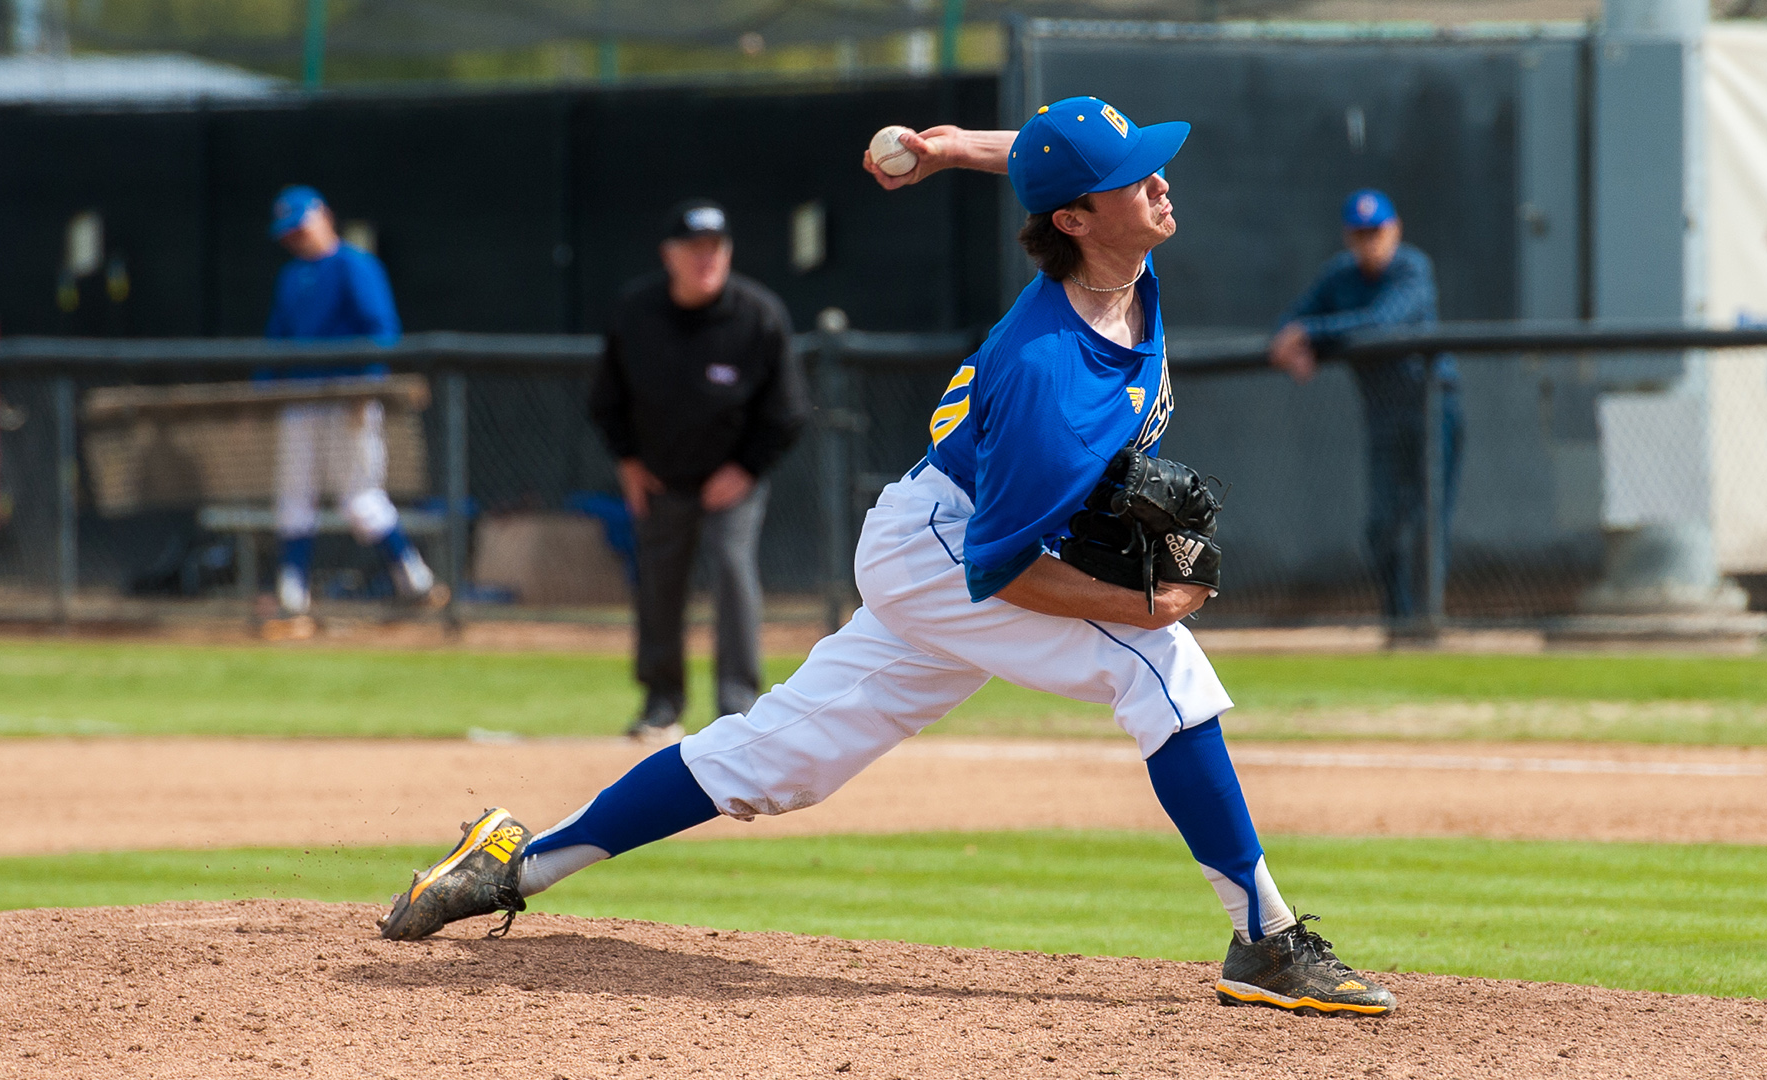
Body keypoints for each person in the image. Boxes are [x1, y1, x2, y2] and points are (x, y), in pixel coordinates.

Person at [377, 100, 1398, 1017]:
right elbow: (999, 572)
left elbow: (1051, 154)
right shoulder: (1055, 374)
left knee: (779, 764)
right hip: (950, 549)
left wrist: (957, 149)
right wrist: (1140, 610)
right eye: (1134, 176)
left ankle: (516, 864)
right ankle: (1264, 942)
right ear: (1080, 221)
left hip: (937, 528)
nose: (1160, 180)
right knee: (1162, 676)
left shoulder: (1117, 255)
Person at [589, 199, 808, 742]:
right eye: (694, 249)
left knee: (734, 573)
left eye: (715, 248)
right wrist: (629, 462)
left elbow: (787, 410)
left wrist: (746, 468)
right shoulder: (635, 313)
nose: (705, 259)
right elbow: (605, 399)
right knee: (659, 584)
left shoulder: (758, 314)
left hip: (731, 480)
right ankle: (661, 702)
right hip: (661, 477)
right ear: (669, 255)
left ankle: (737, 706)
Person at [1268, 190, 1462, 621]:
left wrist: (1310, 335)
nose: (1370, 241)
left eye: (1377, 231)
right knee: (1382, 525)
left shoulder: (1412, 267)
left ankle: (1427, 621)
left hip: (1432, 406)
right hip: (1384, 413)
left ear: (1394, 230)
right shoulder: (1340, 276)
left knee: (1428, 520)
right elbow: (1291, 322)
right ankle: (1399, 620)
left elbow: (1382, 323)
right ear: (1348, 237)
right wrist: (1298, 335)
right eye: (1360, 233)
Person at [263, 184, 442, 620]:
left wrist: (368, 387)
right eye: (288, 233)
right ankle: (292, 593)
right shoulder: (290, 277)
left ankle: (414, 580)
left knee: (359, 497)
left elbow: (382, 330)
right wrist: (264, 389)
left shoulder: (354, 266)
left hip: (348, 397)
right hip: (300, 398)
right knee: (293, 495)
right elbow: (274, 342)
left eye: (300, 227)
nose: (296, 238)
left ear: (323, 216)